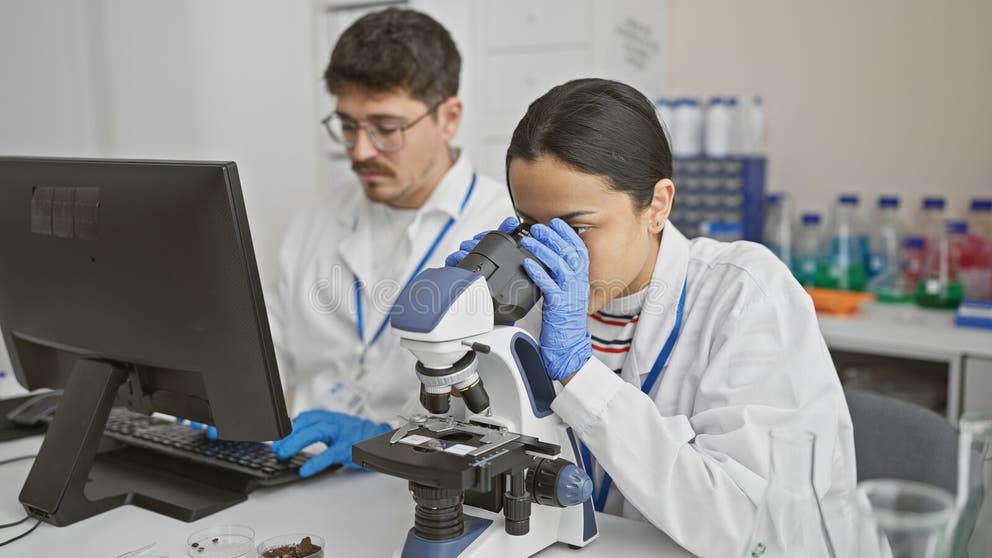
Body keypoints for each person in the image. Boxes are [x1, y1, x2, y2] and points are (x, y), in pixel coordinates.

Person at [446, 78, 858, 557]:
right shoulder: (533, 298)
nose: (549, 257)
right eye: (530, 227)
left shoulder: (747, 294)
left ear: (657, 205)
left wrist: (581, 375)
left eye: (576, 228)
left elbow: (752, 531)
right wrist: (477, 337)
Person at [247, 8, 511, 477]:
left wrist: (385, 435)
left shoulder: (502, 233)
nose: (360, 151)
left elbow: (500, 414)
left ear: (449, 118)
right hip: (293, 471)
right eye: (348, 126)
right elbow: (268, 357)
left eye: (386, 129)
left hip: (422, 487)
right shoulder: (314, 223)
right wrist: (223, 405)